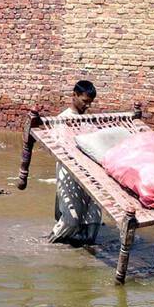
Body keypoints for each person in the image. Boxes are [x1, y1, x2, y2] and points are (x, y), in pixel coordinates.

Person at [47, 80, 103, 245]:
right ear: (74, 96)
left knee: (93, 218)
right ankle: (49, 244)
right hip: (69, 171)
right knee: (71, 219)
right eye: (85, 101)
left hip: (88, 170)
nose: (87, 106)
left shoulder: (86, 120)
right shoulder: (62, 120)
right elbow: (59, 148)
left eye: (90, 103)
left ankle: (82, 249)